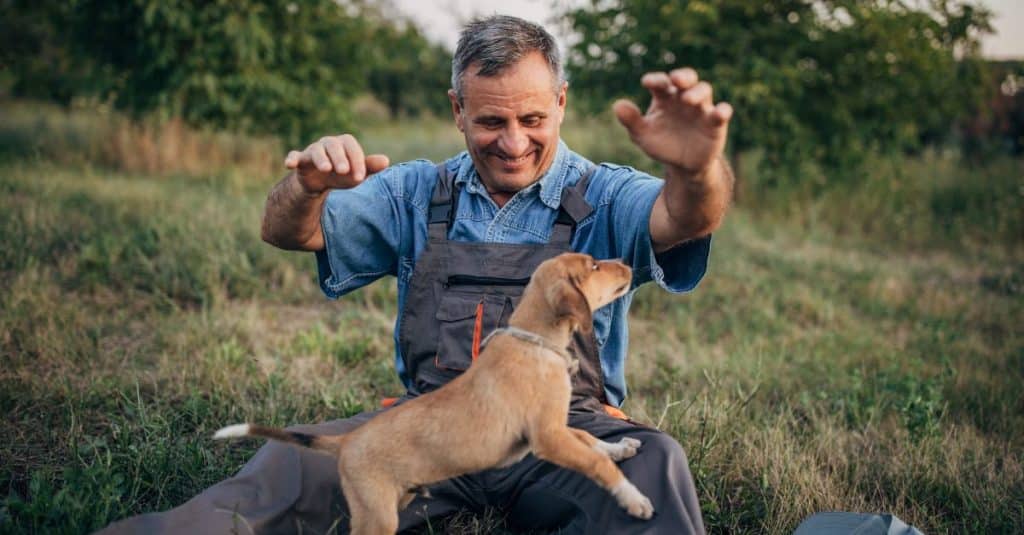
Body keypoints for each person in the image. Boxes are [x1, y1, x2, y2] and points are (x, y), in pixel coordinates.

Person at [99, 14, 733, 535]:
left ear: (561, 103)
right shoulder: (413, 193)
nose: (513, 142)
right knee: (287, 465)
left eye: (532, 119)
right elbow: (289, 232)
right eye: (490, 121)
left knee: (657, 463)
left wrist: (698, 169)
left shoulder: (609, 194)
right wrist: (307, 186)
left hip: (565, 428)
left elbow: (683, 217)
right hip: (433, 430)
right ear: (457, 109)